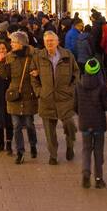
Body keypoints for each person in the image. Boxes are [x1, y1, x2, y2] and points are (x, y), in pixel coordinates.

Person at [32, 30, 79, 165]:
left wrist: (71, 89)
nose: (49, 43)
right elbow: (32, 76)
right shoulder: (38, 57)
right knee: (49, 131)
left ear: (57, 41)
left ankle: (70, 146)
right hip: (46, 98)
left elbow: (76, 73)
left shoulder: (67, 55)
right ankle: (53, 155)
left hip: (65, 98)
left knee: (69, 125)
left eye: (52, 41)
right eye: (47, 41)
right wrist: (39, 91)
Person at [0, 30, 39, 163]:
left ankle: (33, 144)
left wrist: (37, 72)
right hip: (14, 95)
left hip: (28, 95)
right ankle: (20, 152)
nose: (11, 44)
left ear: (21, 43)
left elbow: (39, 69)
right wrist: (0, 62)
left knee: (29, 124)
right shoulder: (9, 57)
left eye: (13, 42)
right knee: (16, 125)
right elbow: (4, 75)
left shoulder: (32, 56)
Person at [75, 57, 107, 188]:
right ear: (98, 70)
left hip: (85, 122)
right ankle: (99, 179)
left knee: (86, 149)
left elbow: (74, 106)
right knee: (98, 151)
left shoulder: (79, 85)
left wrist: (82, 114)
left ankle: (86, 173)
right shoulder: (102, 86)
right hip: (98, 124)